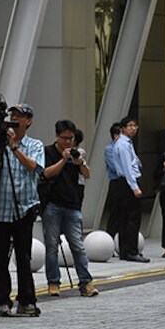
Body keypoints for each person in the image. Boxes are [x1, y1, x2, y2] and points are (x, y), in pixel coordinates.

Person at [0, 103, 45, 317]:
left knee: (23, 258)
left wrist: (14, 146)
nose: (15, 118)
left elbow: (33, 167)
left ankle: (26, 300)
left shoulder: (34, 144)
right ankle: (2, 301)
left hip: (24, 209)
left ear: (29, 121)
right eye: (13, 115)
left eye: (21, 116)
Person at [42, 121, 99, 298]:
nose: (68, 142)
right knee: (52, 245)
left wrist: (79, 162)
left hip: (72, 205)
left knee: (78, 246)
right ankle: (53, 282)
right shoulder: (48, 152)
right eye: (64, 138)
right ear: (57, 137)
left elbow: (88, 174)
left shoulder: (76, 153)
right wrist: (63, 160)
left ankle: (85, 283)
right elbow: (46, 173)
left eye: (71, 138)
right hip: (52, 204)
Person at [111, 118, 148, 262]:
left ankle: (125, 251)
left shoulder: (125, 143)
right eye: (130, 126)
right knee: (133, 218)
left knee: (124, 218)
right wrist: (135, 187)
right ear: (123, 128)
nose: (133, 128)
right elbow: (127, 168)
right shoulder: (124, 145)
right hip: (127, 183)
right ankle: (131, 251)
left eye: (135, 126)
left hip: (124, 182)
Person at [103, 122, 124, 239]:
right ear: (115, 135)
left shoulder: (128, 147)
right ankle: (110, 241)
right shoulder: (110, 149)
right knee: (115, 213)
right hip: (116, 182)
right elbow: (116, 167)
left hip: (128, 183)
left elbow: (138, 165)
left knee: (126, 214)